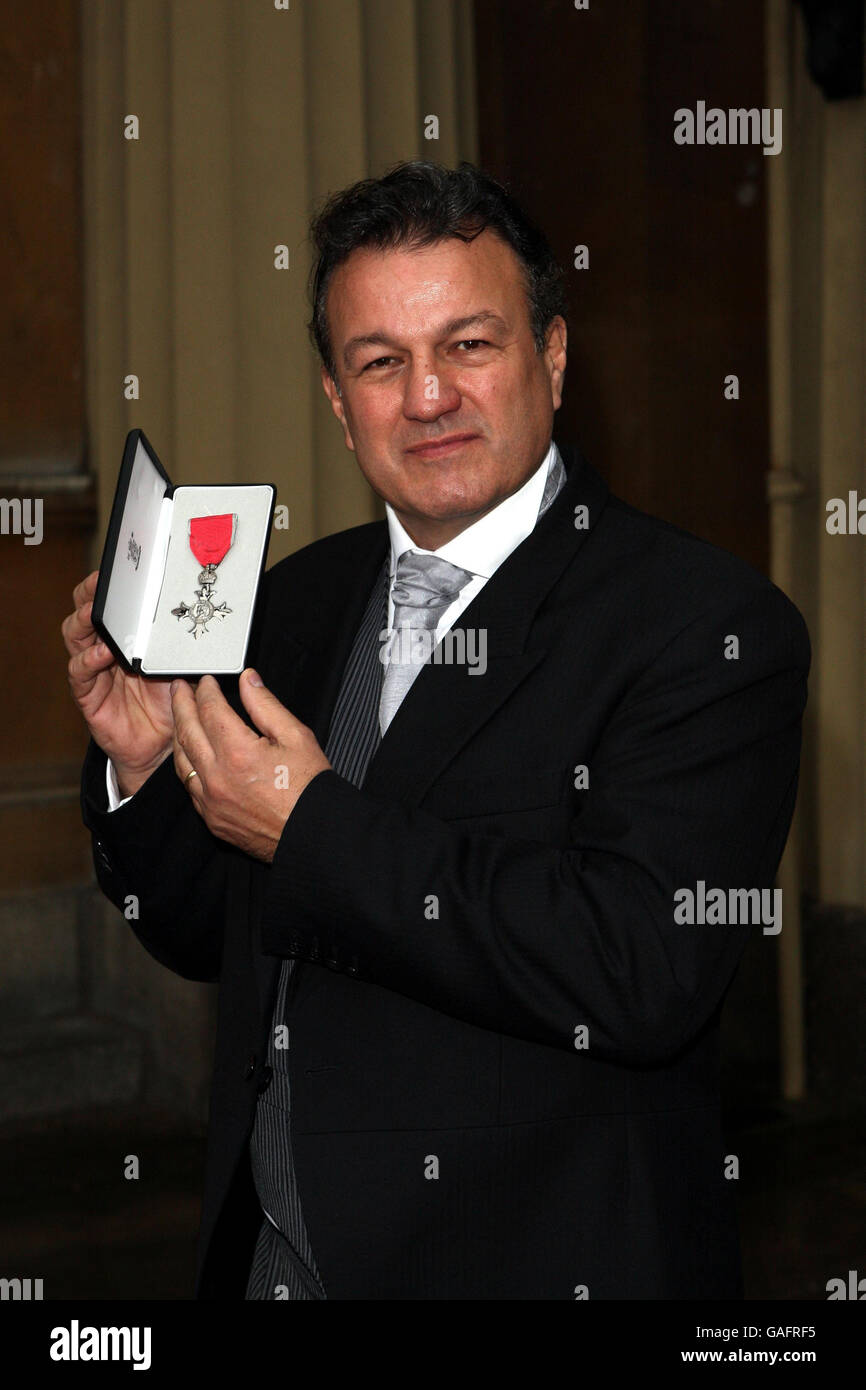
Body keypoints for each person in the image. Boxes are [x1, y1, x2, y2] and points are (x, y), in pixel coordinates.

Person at [63, 160, 810, 1300]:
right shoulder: (290, 602)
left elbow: (638, 966)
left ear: (551, 356)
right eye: (380, 361)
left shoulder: (702, 626)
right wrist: (147, 766)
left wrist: (310, 824)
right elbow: (210, 928)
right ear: (334, 397)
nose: (425, 397)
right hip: (271, 1265)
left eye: (468, 345)